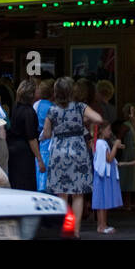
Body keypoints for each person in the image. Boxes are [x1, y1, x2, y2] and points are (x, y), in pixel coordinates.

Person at [41, 75, 102, 237]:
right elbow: (99, 118)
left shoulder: (52, 110)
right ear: (71, 91)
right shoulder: (80, 107)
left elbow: (46, 134)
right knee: (78, 193)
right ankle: (75, 230)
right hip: (78, 150)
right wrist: (83, 120)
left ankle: (62, 228)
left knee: (61, 193)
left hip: (59, 150)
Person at [6, 79, 43, 190]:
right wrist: (40, 159)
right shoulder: (29, 112)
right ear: (32, 93)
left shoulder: (16, 107)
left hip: (13, 148)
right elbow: (31, 138)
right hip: (24, 152)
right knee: (26, 183)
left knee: (16, 182)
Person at [91, 121, 125, 233]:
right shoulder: (101, 143)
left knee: (103, 201)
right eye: (108, 130)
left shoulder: (98, 142)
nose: (110, 132)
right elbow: (109, 158)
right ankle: (102, 226)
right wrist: (115, 146)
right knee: (103, 202)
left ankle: (102, 225)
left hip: (102, 175)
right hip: (104, 175)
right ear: (101, 130)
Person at [118, 102, 135, 210]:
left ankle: (127, 203)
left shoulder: (125, 125)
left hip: (129, 152)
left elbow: (119, 138)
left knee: (127, 177)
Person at [34, 78, 54, 192]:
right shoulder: (53, 107)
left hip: (39, 140)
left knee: (40, 166)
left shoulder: (37, 105)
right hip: (49, 140)